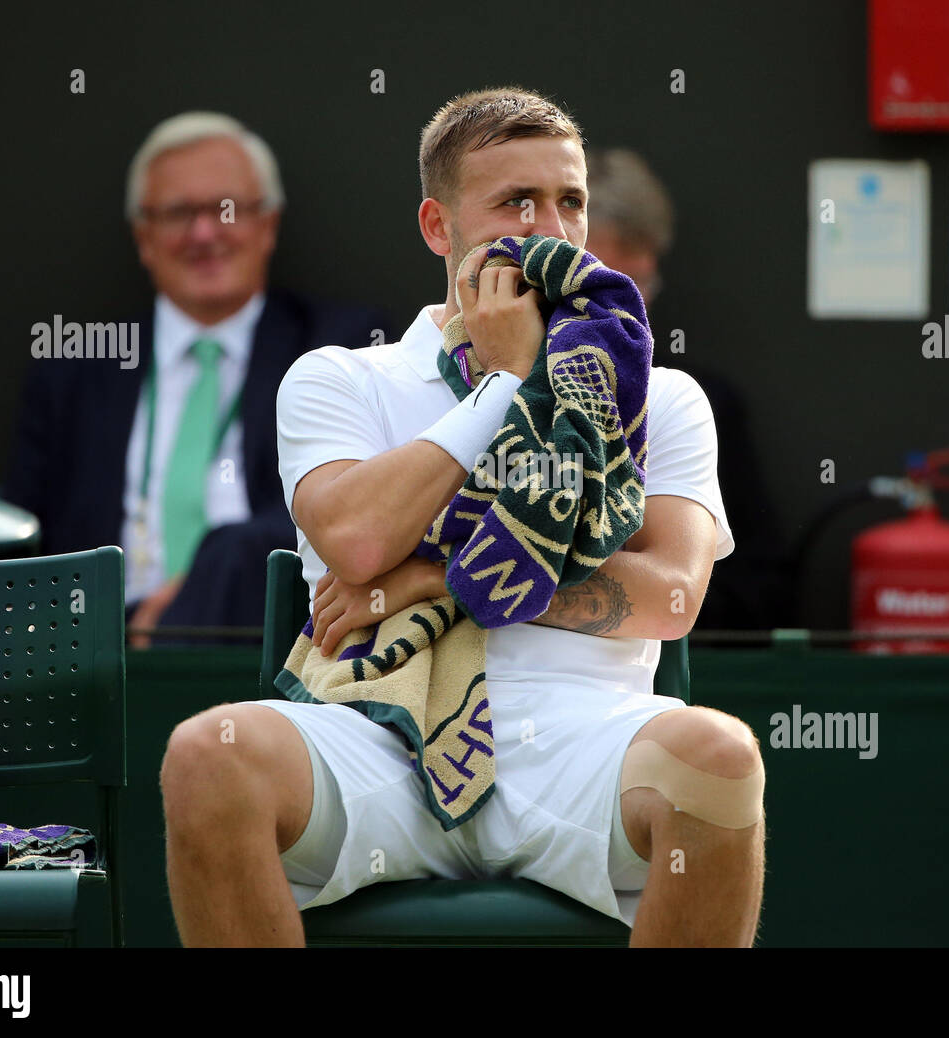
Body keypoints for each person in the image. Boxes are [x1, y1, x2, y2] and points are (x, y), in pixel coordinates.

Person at [160, 88, 767, 947]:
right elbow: (360, 543)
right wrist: (506, 383)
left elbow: (672, 598)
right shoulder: (338, 378)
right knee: (206, 754)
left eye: (570, 202)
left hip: (581, 739)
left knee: (723, 762)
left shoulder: (660, 394)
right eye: (516, 203)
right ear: (439, 228)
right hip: (379, 735)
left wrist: (436, 578)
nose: (551, 230)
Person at [2, 112, 389, 642]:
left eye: (227, 210)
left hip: (274, 647)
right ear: (143, 236)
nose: (204, 233)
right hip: (97, 653)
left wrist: (199, 593)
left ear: (268, 225)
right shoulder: (75, 370)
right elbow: (19, 541)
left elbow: (357, 509)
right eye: (179, 213)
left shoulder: (340, 345)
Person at [584, 147, 794, 629]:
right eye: (598, 282)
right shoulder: (484, 385)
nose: (618, 307)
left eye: (637, 284)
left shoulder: (689, 399)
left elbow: (754, 589)